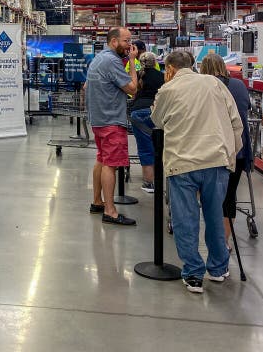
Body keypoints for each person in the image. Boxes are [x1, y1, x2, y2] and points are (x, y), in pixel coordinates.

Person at [151, 51, 243, 294]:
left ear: (169, 69)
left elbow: (157, 120)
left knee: (185, 219)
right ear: (193, 65)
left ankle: (193, 274)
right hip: (216, 160)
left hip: (182, 162)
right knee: (215, 215)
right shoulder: (214, 83)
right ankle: (218, 268)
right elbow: (236, 121)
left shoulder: (167, 90)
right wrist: (229, 153)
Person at [199, 53, 253, 249]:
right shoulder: (238, 85)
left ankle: (212, 237)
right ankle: (224, 242)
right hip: (238, 149)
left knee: (209, 194)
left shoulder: (202, 87)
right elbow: (246, 107)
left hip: (211, 149)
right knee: (229, 194)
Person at [86, 26, 138, 226]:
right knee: (112, 164)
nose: (129, 45)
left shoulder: (99, 59)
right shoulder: (112, 61)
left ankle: (97, 202)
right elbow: (132, 89)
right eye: (126, 41)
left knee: (101, 159)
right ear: (114, 41)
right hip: (111, 121)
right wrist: (132, 62)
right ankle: (110, 211)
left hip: (99, 120)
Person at [129, 51, 165, 193]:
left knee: (145, 148)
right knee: (160, 147)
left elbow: (132, 93)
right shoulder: (161, 76)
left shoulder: (137, 76)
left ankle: (149, 183)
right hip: (156, 112)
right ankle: (159, 179)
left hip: (138, 113)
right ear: (155, 62)